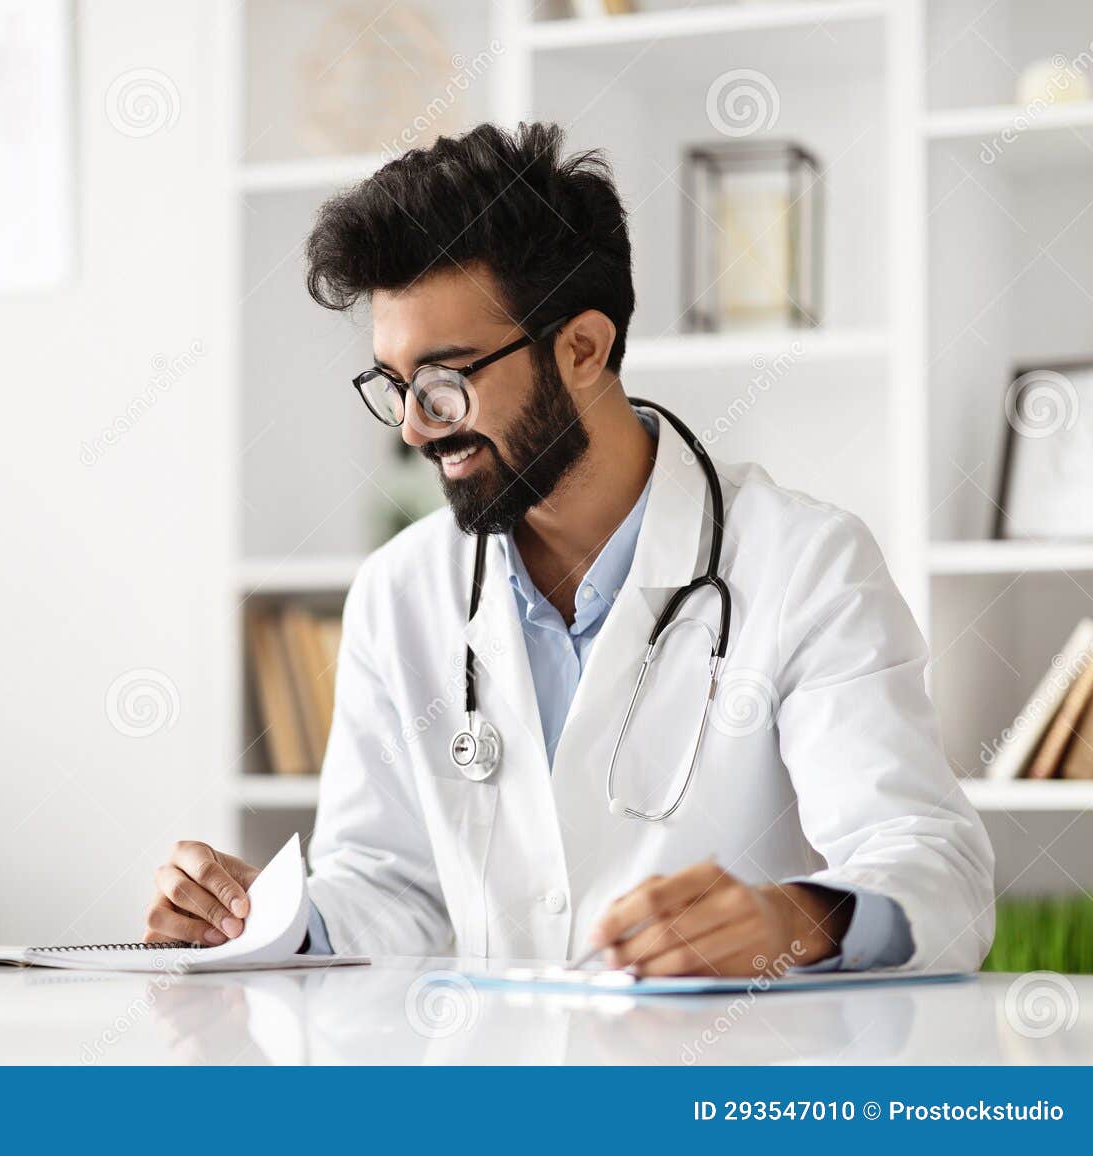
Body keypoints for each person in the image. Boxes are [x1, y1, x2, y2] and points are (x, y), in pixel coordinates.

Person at [146, 123, 994, 976]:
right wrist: (268, 917)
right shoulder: (401, 588)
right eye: (396, 386)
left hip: (733, 1058)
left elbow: (935, 871)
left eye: (444, 382)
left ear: (583, 347)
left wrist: (792, 920)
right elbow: (389, 888)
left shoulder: (805, 563)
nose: (414, 427)